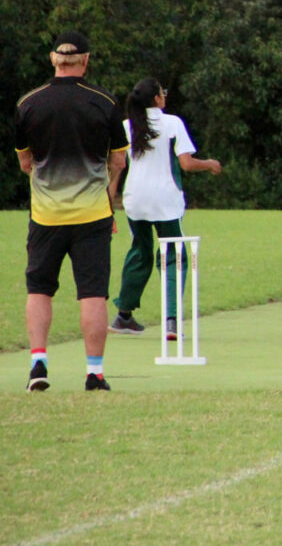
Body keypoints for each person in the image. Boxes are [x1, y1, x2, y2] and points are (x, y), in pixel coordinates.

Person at [14, 30, 129, 391]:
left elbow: (25, 163)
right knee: (92, 292)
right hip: (93, 215)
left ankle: (38, 364)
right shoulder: (105, 102)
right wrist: (108, 194)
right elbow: (119, 160)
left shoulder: (28, 104)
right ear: (86, 60)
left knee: (39, 289)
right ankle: (94, 373)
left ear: (53, 59)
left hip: (45, 215)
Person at [108, 78, 221, 341]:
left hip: (135, 200)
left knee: (140, 251)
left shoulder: (127, 126)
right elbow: (186, 163)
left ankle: (123, 315)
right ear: (157, 99)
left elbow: (116, 168)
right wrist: (210, 164)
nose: (165, 96)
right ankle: (171, 321)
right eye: (162, 93)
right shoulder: (172, 123)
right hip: (166, 200)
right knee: (173, 256)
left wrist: (108, 205)